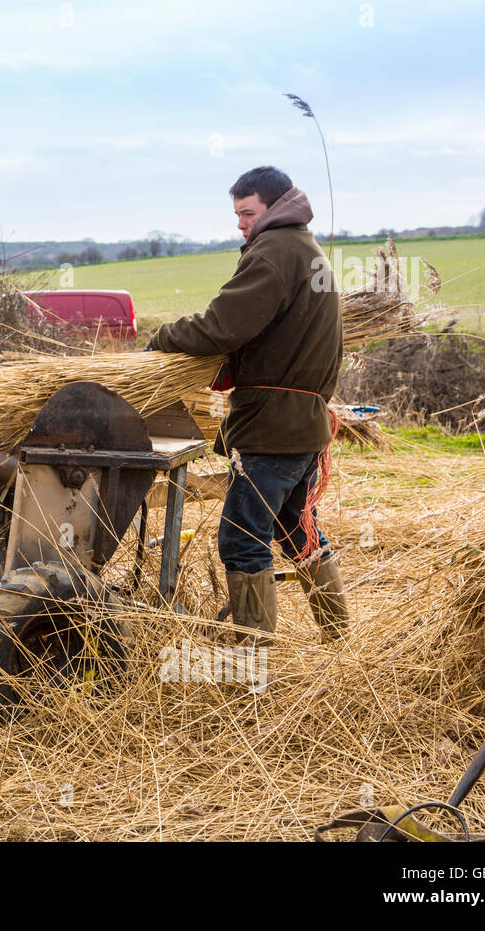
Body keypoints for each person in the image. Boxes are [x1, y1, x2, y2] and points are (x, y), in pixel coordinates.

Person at [144, 166, 349, 643]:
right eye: (236, 214)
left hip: (274, 431)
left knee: (242, 541)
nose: (240, 224)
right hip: (303, 428)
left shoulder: (276, 251)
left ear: (274, 207)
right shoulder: (308, 250)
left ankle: (252, 653)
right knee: (299, 532)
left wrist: (163, 338)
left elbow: (222, 324)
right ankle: (339, 640)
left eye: (247, 213)